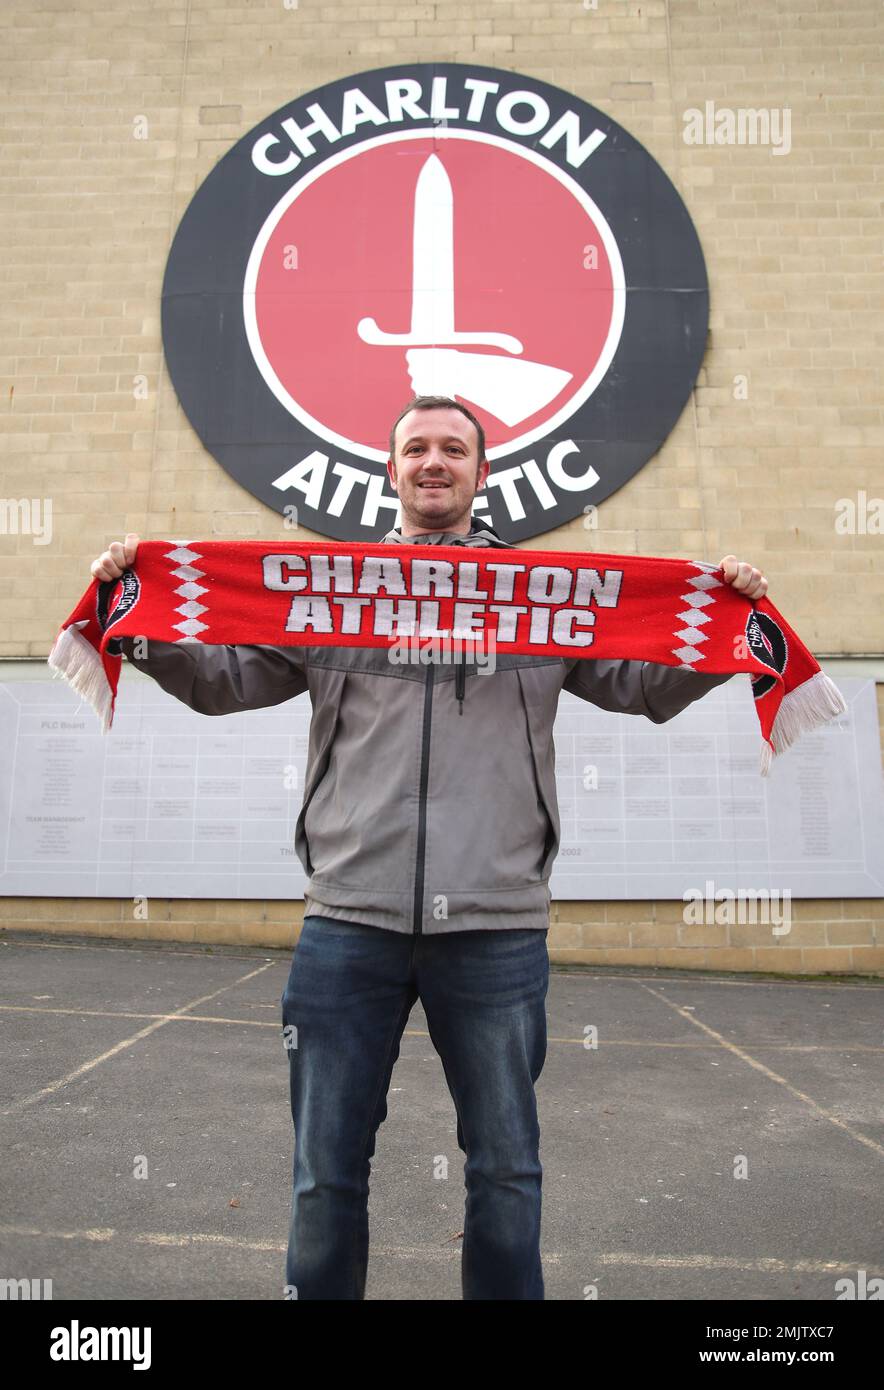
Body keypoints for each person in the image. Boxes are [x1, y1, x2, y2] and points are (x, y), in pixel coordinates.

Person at [91, 394, 768, 1300]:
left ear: (482, 473)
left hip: (497, 927)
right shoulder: (332, 591)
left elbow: (640, 685)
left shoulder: (543, 599)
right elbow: (226, 679)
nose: (434, 462)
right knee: (324, 1175)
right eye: (416, 448)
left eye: (454, 448)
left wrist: (724, 630)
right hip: (347, 922)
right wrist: (135, 624)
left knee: (506, 1172)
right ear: (392, 470)